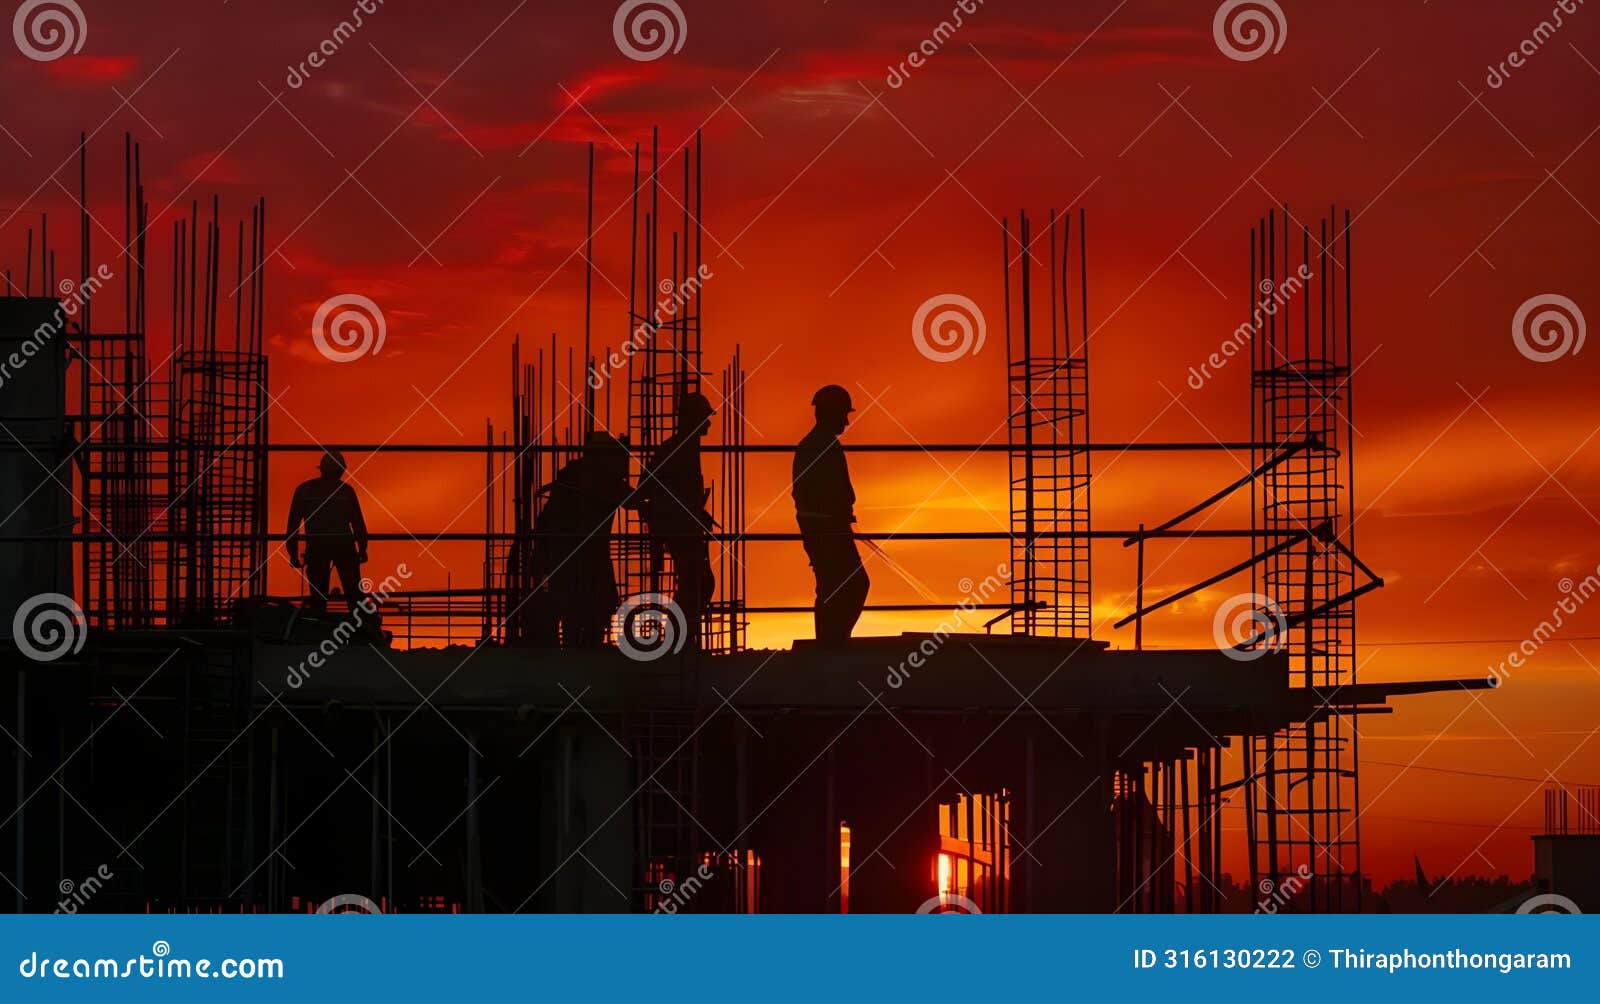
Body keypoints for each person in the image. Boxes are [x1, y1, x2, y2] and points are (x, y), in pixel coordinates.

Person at [529, 431, 635, 648]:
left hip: (565, 557)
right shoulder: (598, 478)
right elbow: (633, 500)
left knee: (576, 609)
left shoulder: (573, 477)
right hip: (586, 559)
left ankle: (573, 653)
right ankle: (582, 654)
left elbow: (543, 522)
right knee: (591, 607)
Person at [639, 393, 716, 651]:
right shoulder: (677, 449)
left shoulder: (685, 448)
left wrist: (696, 511)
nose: (709, 424)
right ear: (692, 419)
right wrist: (677, 513)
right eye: (705, 418)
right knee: (699, 582)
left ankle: (680, 638)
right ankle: (678, 639)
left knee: (698, 583)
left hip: (683, 527)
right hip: (679, 529)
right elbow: (646, 489)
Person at [793, 385, 869, 644]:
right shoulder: (816, 447)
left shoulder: (819, 446)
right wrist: (832, 520)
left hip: (828, 530)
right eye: (842, 415)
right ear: (829, 414)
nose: (846, 422)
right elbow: (810, 496)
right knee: (849, 585)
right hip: (828, 533)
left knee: (833, 586)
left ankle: (832, 639)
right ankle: (833, 640)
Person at [286, 448, 369, 617]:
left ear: (322, 469)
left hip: (317, 545)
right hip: (343, 545)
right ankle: (360, 624)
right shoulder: (346, 491)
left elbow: (293, 525)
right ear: (341, 471)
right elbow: (358, 524)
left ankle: (318, 623)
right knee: (353, 591)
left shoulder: (305, 490)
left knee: (318, 595)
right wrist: (362, 549)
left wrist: (293, 553)